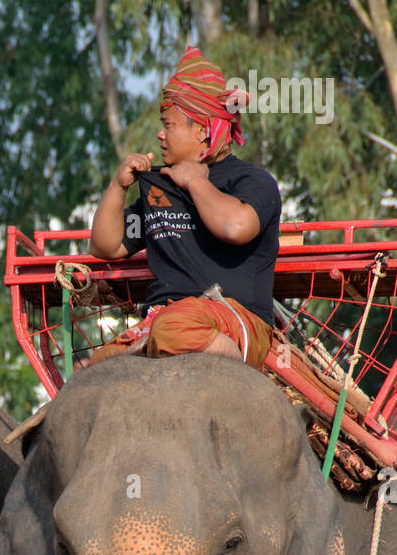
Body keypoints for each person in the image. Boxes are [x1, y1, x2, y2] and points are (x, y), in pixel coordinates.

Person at [89, 45, 281, 370]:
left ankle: (241, 384)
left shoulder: (253, 181)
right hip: (163, 321)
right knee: (96, 366)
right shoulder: (161, 186)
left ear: (202, 131)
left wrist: (196, 181)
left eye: (169, 124)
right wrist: (117, 187)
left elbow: (236, 227)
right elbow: (104, 246)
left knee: (174, 328)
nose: (160, 135)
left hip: (235, 321)